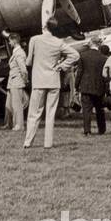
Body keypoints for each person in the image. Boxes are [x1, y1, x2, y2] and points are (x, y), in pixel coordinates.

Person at [23, 20, 80, 149]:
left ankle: (28, 142)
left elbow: (29, 61)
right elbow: (75, 55)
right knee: (50, 113)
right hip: (54, 81)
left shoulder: (35, 40)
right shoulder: (58, 42)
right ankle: (48, 143)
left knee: (34, 113)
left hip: (39, 80)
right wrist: (62, 66)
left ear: (44, 26)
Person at [76, 37, 108, 136]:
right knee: (100, 109)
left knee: (86, 109)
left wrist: (76, 86)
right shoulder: (103, 58)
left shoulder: (83, 56)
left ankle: (87, 130)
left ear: (91, 43)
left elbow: (79, 72)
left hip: (86, 86)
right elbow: (105, 75)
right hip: (99, 86)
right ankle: (101, 129)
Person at [4, 31, 29, 131]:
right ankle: (9, 124)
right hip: (12, 82)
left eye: (10, 41)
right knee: (8, 105)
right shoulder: (16, 52)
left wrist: (25, 81)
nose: (9, 43)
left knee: (17, 105)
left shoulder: (19, 53)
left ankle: (19, 125)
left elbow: (23, 69)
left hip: (17, 82)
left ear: (14, 41)